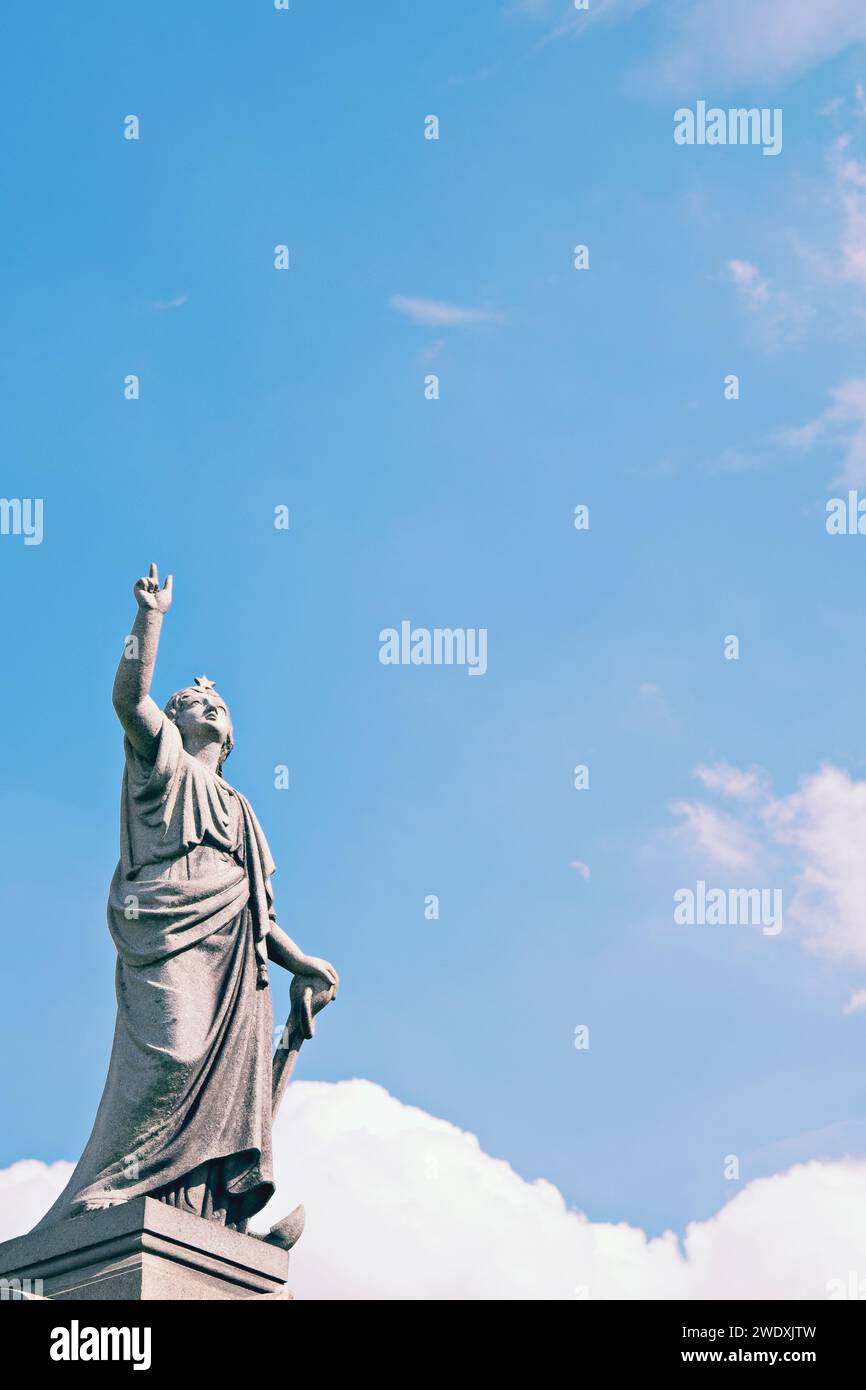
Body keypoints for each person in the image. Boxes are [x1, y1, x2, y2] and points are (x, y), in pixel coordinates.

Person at [35, 564, 338, 1233]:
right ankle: (107, 1201)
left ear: (230, 739)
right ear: (173, 721)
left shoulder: (242, 808)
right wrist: (152, 616)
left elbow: (261, 913)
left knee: (229, 1081)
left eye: (220, 706)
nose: (209, 701)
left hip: (236, 961)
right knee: (173, 1056)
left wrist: (303, 963)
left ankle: (204, 1216)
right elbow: (127, 698)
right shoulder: (161, 759)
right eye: (193, 700)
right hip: (168, 933)